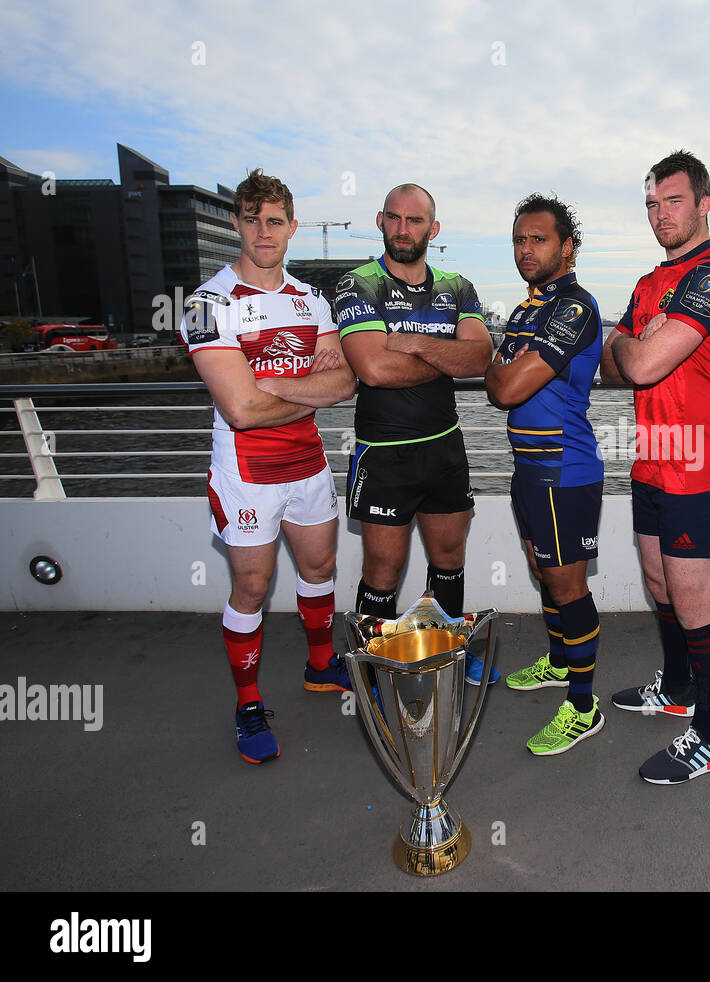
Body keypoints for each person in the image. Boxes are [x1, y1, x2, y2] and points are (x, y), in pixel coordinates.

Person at [182, 168, 357, 764]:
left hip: (308, 463)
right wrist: (304, 384)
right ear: (235, 223)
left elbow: (344, 383)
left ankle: (319, 665)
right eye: (252, 219)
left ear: (292, 228)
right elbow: (241, 409)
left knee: (321, 565)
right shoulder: (207, 304)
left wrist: (272, 379)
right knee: (252, 586)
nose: (263, 231)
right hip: (246, 471)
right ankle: (249, 701)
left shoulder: (313, 300)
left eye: (274, 220)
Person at [600, 150, 710, 784]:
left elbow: (640, 365)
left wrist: (630, 343)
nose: (662, 214)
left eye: (675, 201)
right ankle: (679, 687)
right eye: (653, 204)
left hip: (701, 470)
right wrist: (633, 340)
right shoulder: (648, 284)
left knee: (694, 602)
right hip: (653, 460)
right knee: (659, 584)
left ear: (704, 203)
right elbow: (614, 364)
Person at [333, 184, 498, 682]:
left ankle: (447, 655)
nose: (404, 229)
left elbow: (480, 356)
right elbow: (374, 370)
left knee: (449, 557)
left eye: (416, 220)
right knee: (383, 570)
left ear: (434, 229)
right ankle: (371, 671)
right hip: (383, 453)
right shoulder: (357, 283)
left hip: (444, 447)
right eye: (395, 218)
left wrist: (408, 341)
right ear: (380, 221)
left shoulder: (456, 285)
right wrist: (442, 353)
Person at [486, 194, 604, 755]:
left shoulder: (575, 308)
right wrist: (499, 369)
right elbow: (500, 382)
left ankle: (583, 707)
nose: (525, 249)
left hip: (565, 470)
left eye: (537, 239)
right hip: (526, 468)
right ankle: (560, 662)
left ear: (567, 247)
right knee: (542, 569)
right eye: (518, 240)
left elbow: (504, 387)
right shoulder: (523, 311)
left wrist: (498, 369)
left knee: (567, 585)